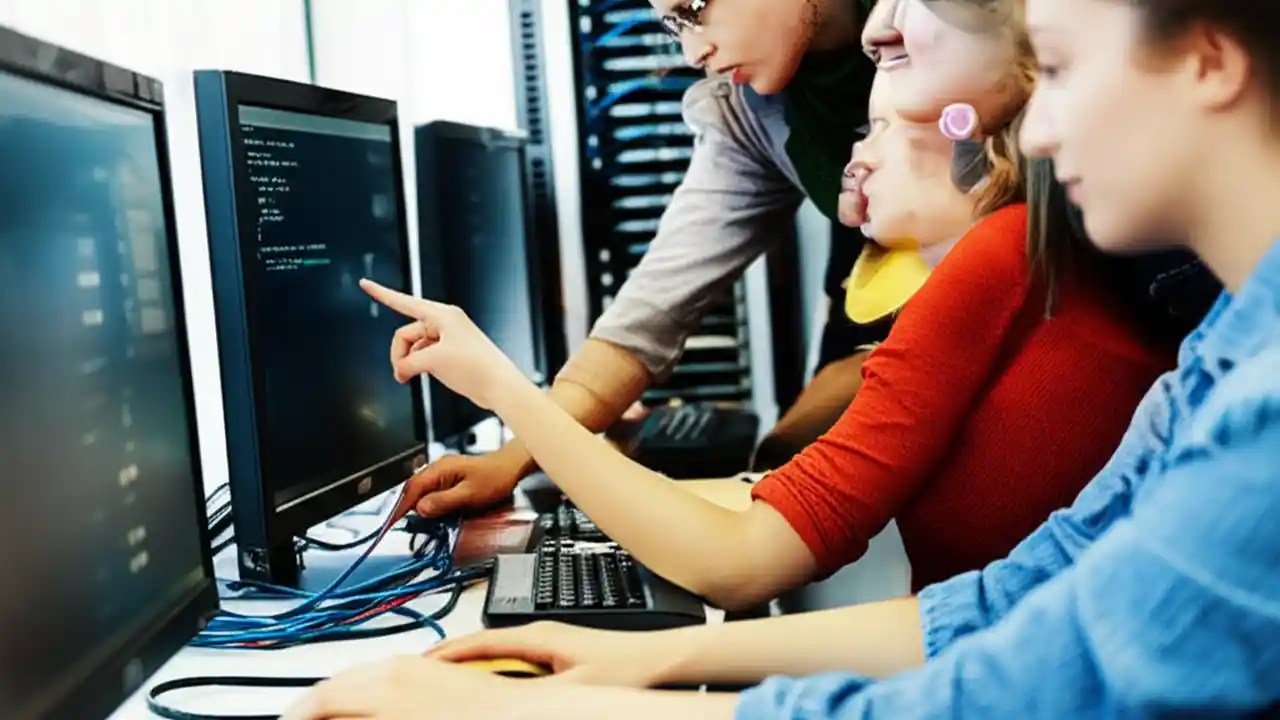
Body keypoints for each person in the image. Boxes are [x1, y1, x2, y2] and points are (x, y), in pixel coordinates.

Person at [283, 1, 1280, 717]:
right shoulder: (1208, 365)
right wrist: (640, 664)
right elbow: (1019, 599)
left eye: (1059, 67)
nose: (849, 160)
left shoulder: (1031, 272)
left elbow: (1028, 684)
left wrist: (538, 704)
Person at [406, 0, 887, 518]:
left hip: (968, 298)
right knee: (787, 465)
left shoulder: (953, 27)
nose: (693, 50)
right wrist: (515, 456)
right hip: (881, 292)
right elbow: (648, 314)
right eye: (674, 24)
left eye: (696, 8)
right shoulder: (745, 111)